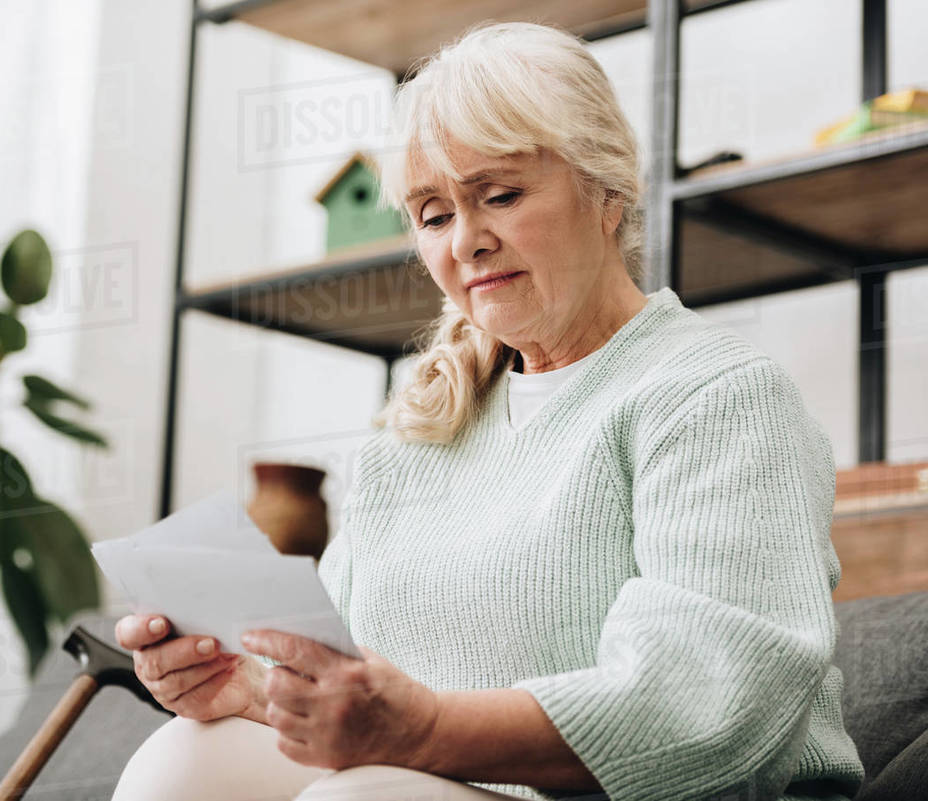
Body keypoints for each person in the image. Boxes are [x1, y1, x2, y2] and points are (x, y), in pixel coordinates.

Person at [111, 20, 865, 801]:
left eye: (499, 195)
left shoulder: (714, 394)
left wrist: (425, 729)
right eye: (434, 215)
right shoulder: (416, 432)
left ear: (606, 192)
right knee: (180, 762)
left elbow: (709, 697)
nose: (467, 240)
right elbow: (350, 677)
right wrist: (245, 684)